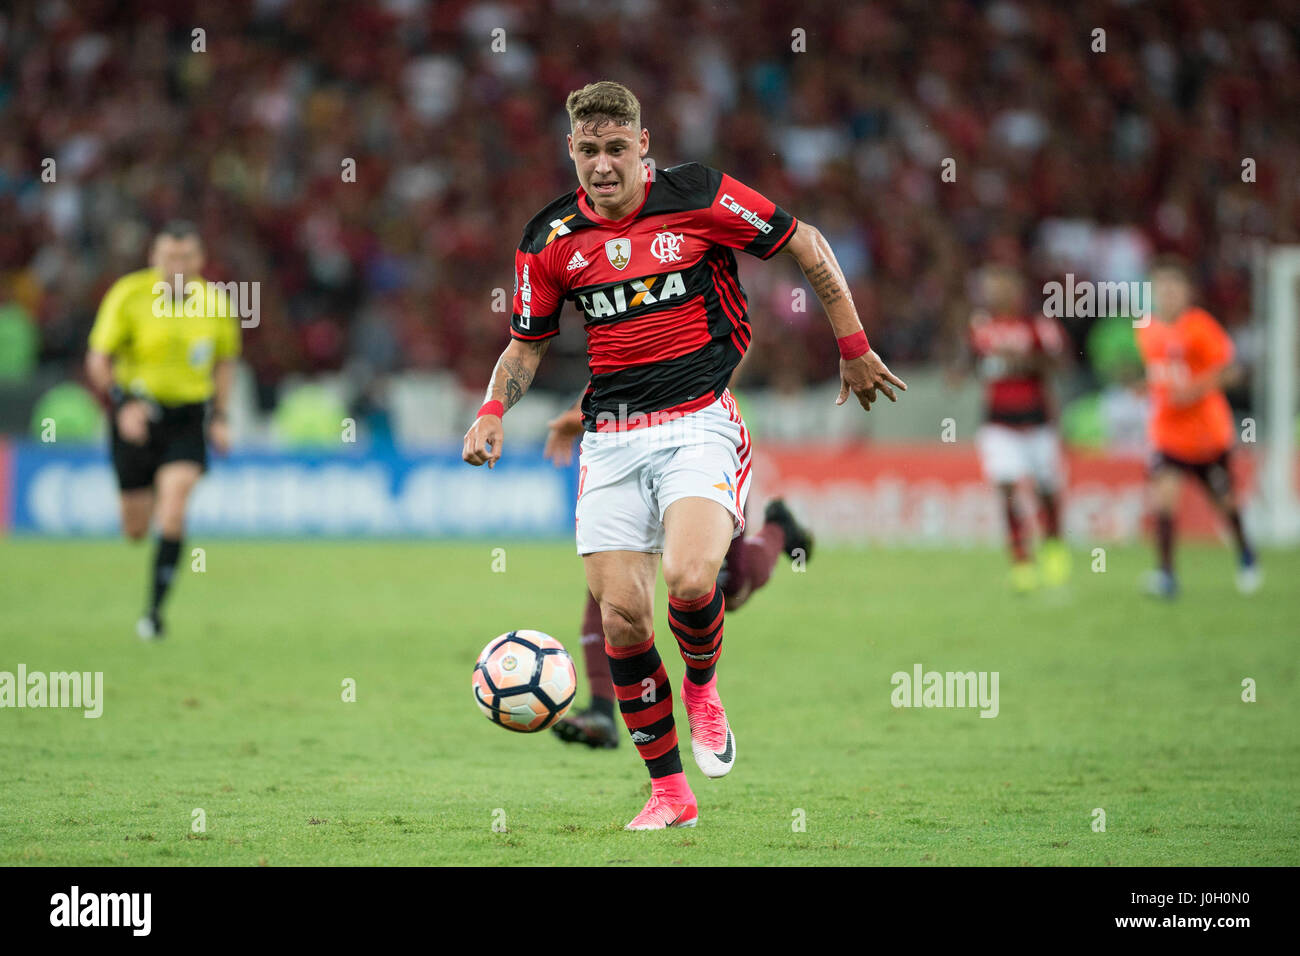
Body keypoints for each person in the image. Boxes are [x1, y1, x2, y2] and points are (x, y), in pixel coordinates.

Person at [462, 81, 905, 830]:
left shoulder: (698, 195)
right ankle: (670, 794)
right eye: (588, 151)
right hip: (611, 441)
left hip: (698, 421)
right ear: (571, 151)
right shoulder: (547, 239)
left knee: (694, 579)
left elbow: (803, 240)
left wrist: (853, 343)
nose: (602, 165)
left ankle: (702, 687)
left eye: (615, 149)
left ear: (642, 145)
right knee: (625, 619)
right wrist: (492, 408)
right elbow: (526, 345)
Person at [540, 399, 813, 749]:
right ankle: (601, 710)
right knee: (612, 587)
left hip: (702, 448)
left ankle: (777, 531)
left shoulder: (710, 350)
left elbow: (692, 368)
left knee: (728, 590)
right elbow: (612, 374)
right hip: (629, 453)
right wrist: (579, 415)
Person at [85, 221, 240, 639]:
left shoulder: (215, 302)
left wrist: (221, 416)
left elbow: (224, 361)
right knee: (136, 529)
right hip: (136, 417)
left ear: (199, 260)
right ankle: (151, 493)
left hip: (187, 418)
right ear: (154, 258)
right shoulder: (128, 295)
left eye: (186, 257)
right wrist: (122, 403)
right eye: (169, 256)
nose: (177, 265)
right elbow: (99, 359)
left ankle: (153, 615)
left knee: (174, 507)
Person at [1135, 258, 1259, 598]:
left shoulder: (1201, 327)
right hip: (1167, 434)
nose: (1168, 294)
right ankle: (1166, 575)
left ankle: (1246, 553)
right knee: (1164, 500)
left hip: (1207, 435)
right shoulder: (1145, 328)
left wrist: (1195, 388)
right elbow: (1155, 375)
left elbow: (1232, 371)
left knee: (1225, 502)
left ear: (1187, 293)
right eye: (1161, 288)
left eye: (1174, 288)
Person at [961, 265, 1071, 592]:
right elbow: (964, 365)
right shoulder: (980, 327)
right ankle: (1021, 560)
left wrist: (1022, 360)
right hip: (999, 423)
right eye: (992, 288)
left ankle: (1053, 545)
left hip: (1037, 421)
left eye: (1004, 287)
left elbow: (1060, 365)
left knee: (1045, 491)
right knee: (1007, 487)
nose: (997, 294)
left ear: (1018, 290)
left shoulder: (1037, 326)